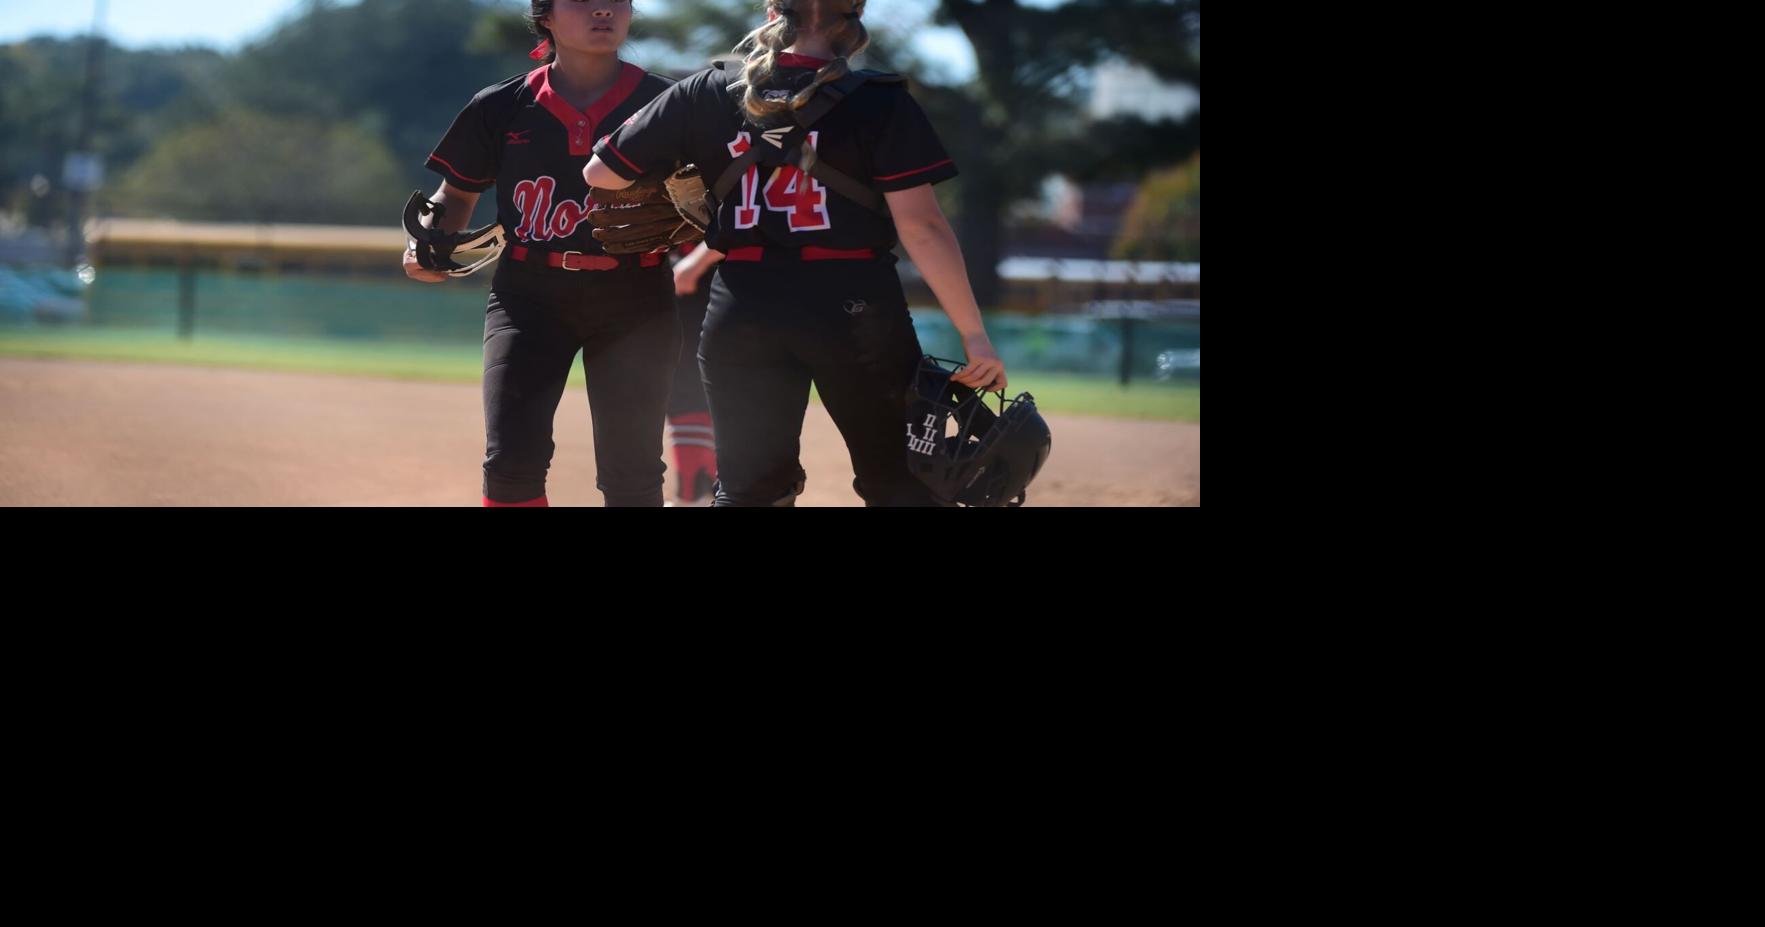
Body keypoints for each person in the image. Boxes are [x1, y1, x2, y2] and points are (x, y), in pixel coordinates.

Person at [583, 0, 1006, 507]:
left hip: (741, 304)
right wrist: (975, 336)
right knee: (898, 483)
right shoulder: (880, 101)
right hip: (853, 308)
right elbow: (923, 227)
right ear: (855, 16)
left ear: (771, 12)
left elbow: (601, 175)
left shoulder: (706, 90)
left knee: (748, 491)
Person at [405, 0, 686, 507]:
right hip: (528, 296)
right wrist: (426, 243)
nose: (603, 10)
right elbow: (457, 192)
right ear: (546, 17)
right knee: (510, 461)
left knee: (633, 472)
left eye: (617, 0)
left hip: (637, 296)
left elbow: (712, 195)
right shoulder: (503, 105)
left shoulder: (667, 102)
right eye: (582, 0)